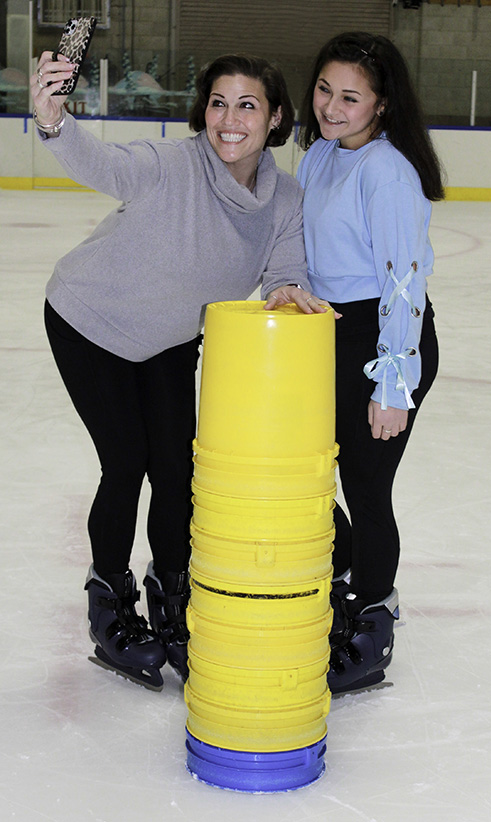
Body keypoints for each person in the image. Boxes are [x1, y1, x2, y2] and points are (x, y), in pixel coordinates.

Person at [30, 52, 325, 692]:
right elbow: (104, 163)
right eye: (218, 102)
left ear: (275, 118)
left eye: (248, 105)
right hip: (91, 323)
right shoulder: (171, 165)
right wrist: (55, 121)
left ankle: (173, 594)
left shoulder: (285, 197)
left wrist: (284, 294)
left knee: (176, 468)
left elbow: (283, 272)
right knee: (127, 460)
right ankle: (110, 599)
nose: (229, 119)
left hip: (168, 340)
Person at [297, 32, 443, 695]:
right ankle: (348, 571)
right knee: (307, 475)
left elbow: (404, 282)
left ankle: (374, 617)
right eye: (325, 90)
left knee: (365, 484)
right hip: (326, 334)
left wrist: (392, 380)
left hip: (381, 341)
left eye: (350, 97)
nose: (331, 106)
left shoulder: (386, 171)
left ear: (381, 105)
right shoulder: (321, 153)